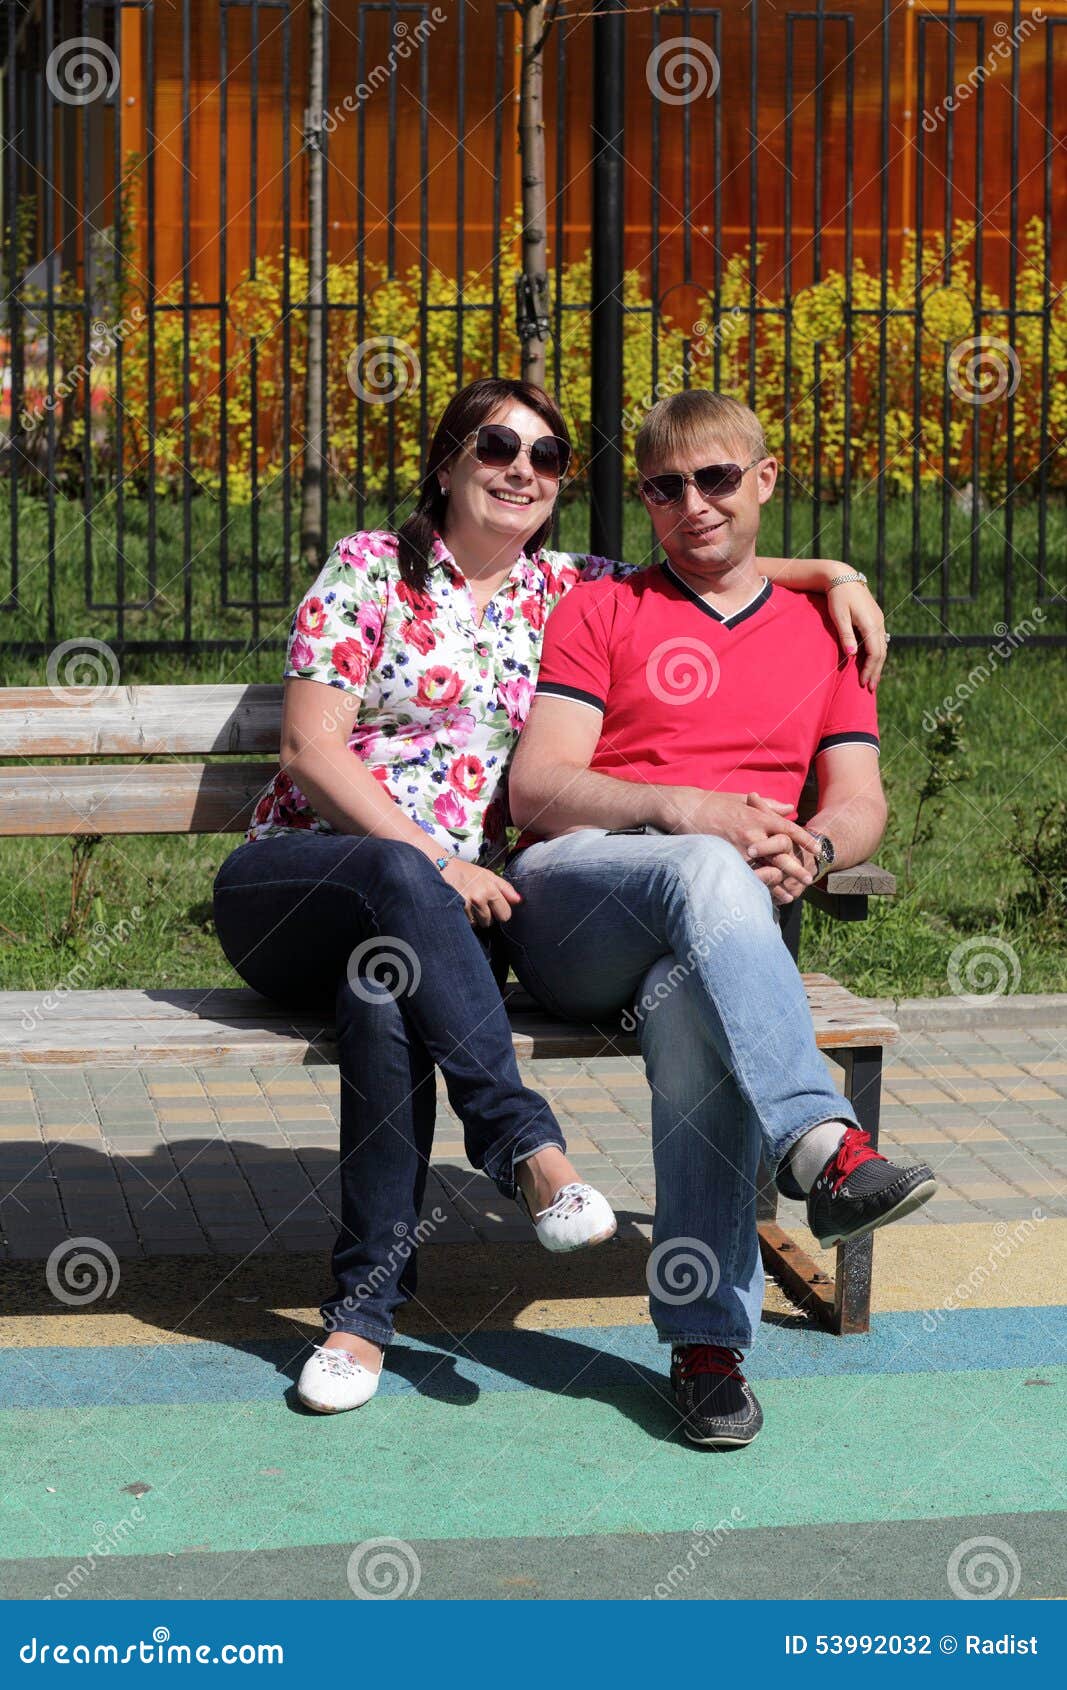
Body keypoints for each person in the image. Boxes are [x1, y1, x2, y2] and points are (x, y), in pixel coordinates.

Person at [212, 377, 890, 1418]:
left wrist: (834, 570)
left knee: (386, 999)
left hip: (438, 926)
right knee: (406, 869)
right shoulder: (368, 567)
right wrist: (439, 861)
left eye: (545, 456)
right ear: (446, 463)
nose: (519, 469)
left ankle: (362, 1314)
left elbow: (710, 557)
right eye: (494, 446)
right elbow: (309, 748)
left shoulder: (559, 587)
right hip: (310, 877)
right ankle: (534, 1148)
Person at [502, 389, 936, 1450]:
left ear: (764, 478)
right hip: (580, 905)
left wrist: (820, 846)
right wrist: (684, 809)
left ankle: (705, 1351)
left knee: (696, 1007)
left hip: (722, 940)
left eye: (715, 478)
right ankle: (821, 1144)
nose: (691, 504)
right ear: (645, 500)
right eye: (663, 487)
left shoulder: (819, 633)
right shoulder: (603, 608)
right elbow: (539, 788)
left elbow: (860, 799)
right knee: (702, 860)